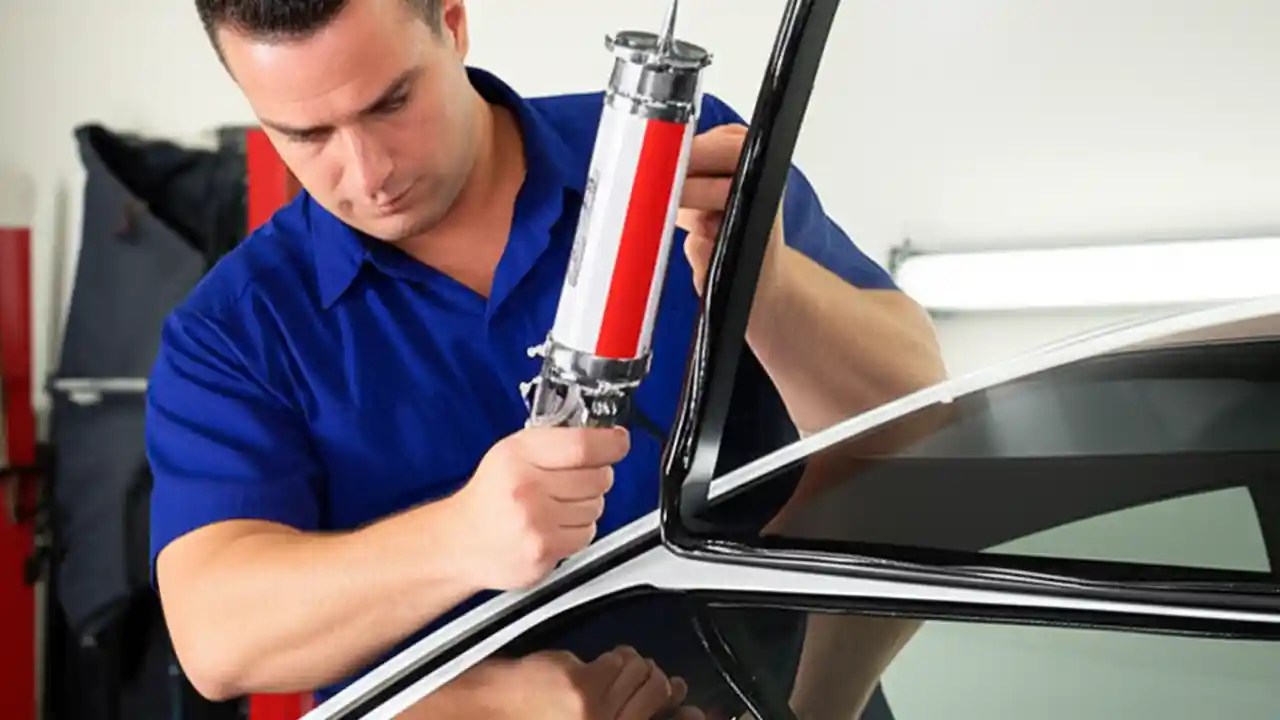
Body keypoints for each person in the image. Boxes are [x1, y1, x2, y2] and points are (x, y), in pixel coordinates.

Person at [149, 0, 948, 715]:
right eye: (306, 134)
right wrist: (460, 541)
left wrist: (772, 291)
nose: (367, 172)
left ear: (453, 24)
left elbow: (921, 414)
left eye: (392, 102)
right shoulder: (235, 331)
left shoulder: (677, 155)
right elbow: (218, 638)